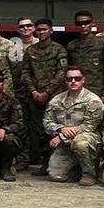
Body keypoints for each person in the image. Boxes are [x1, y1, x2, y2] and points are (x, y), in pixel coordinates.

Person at [43, 67, 104, 185]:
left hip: (88, 142)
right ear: (65, 81)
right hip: (66, 146)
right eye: (69, 78)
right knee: (55, 176)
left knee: (80, 142)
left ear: (83, 80)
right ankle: (78, 170)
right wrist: (61, 128)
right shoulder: (56, 100)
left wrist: (61, 136)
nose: (73, 81)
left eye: (77, 78)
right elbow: (47, 122)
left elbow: (89, 126)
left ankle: (89, 173)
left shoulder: (93, 100)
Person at [22, 19, 69, 174]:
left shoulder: (59, 49)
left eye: (45, 29)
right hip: (35, 97)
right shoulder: (30, 51)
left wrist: (47, 92)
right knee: (39, 131)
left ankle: (56, 162)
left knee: (53, 129)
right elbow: (26, 72)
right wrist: (34, 91)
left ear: (51, 31)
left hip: (54, 97)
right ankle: (44, 162)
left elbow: (61, 73)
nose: (41, 32)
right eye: (39, 30)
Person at [65, 10, 104, 103]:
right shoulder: (71, 45)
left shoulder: (102, 43)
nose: (83, 26)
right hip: (77, 90)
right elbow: (69, 69)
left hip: (97, 91)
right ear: (76, 25)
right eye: (80, 23)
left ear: (92, 23)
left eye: (86, 23)